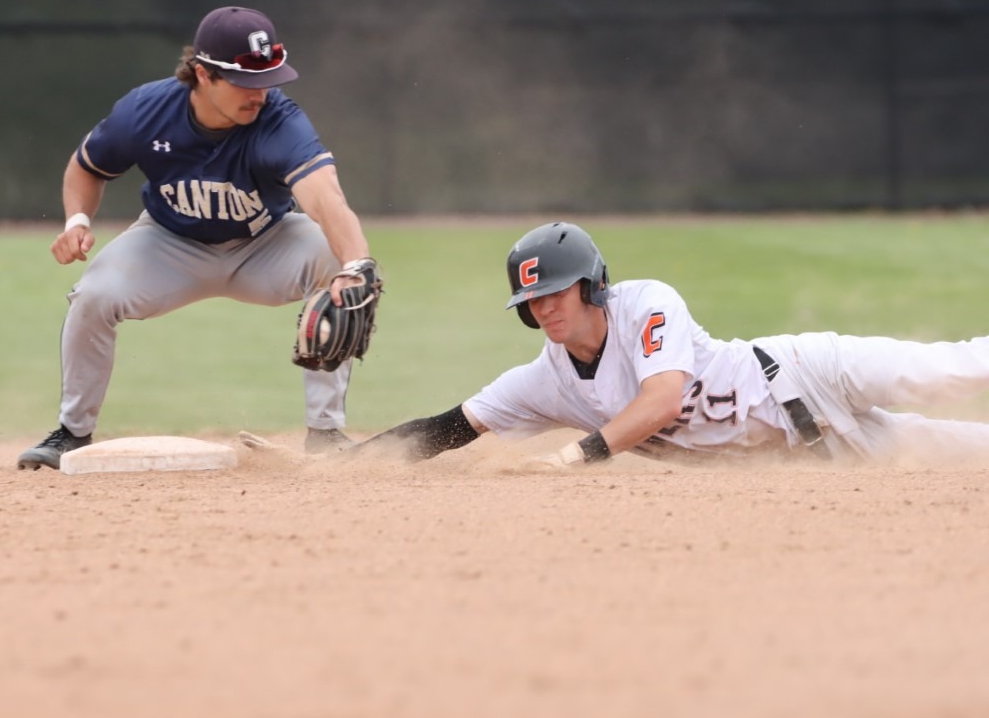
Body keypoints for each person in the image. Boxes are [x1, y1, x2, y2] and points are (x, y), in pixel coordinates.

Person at [17, 6, 378, 470]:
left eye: (267, 79)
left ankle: (326, 433)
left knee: (337, 264)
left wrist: (356, 265)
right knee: (94, 295)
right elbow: (87, 166)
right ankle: (71, 433)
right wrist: (77, 221)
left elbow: (326, 199)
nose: (260, 93)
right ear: (204, 74)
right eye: (245, 81)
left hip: (265, 244)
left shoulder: (279, 121)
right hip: (168, 243)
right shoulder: (146, 111)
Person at [344, 221, 989, 467]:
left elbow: (661, 401)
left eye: (556, 292)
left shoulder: (647, 304)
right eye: (532, 301)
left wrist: (575, 456)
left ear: (590, 285)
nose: (544, 308)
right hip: (813, 450)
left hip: (806, 371)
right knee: (951, 450)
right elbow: (451, 426)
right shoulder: (545, 381)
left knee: (947, 371)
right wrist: (349, 467)